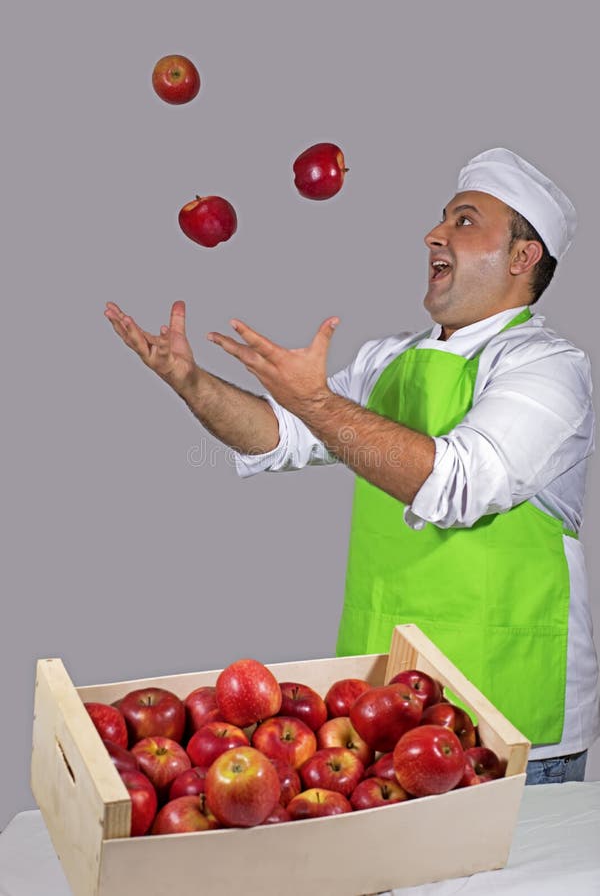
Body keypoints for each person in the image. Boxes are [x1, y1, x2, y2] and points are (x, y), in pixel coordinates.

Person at [105, 147, 600, 784]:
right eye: (441, 217)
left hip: (510, 716)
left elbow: (458, 483)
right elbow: (281, 437)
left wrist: (315, 400)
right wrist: (192, 383)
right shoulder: (387, 358)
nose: (434, 233)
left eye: (465, 220)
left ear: (521, 257)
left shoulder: (549, 366)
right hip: (383, 713)